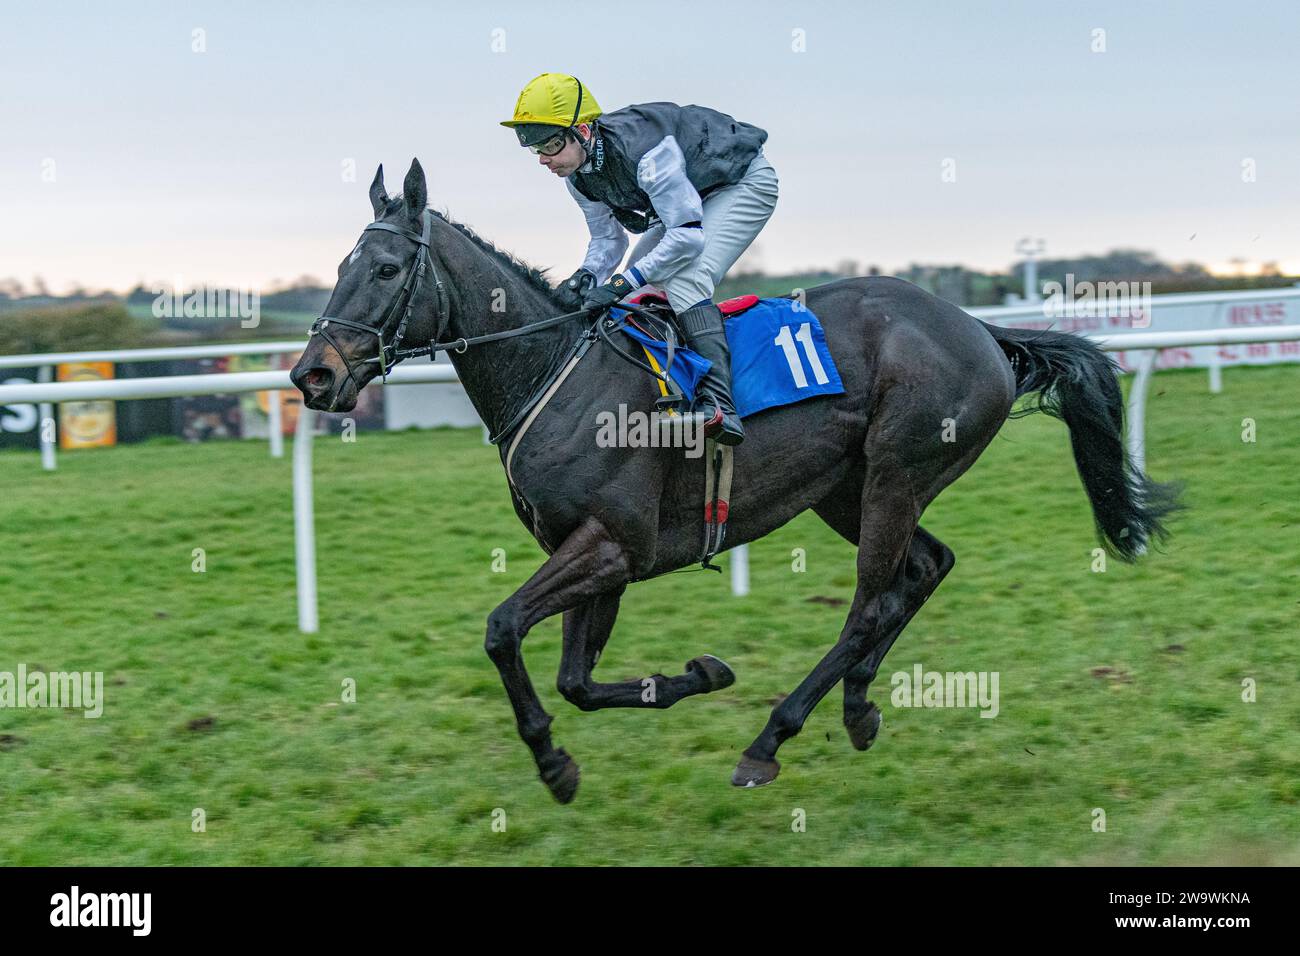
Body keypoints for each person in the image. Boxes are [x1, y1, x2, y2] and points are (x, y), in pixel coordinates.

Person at [501, 73, 779, 446]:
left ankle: (719, 405)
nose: (544, 160)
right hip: (689, 202)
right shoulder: (577, 175)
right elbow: (606, 239)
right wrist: (587, 275)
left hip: (741, 184)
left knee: (683, 278)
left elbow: (686, 238)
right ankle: (668, 390)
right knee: (638, 293)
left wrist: (618, 283)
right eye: (535, 149)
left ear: (582, 132)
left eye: (550, 145)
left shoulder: (649, 155)